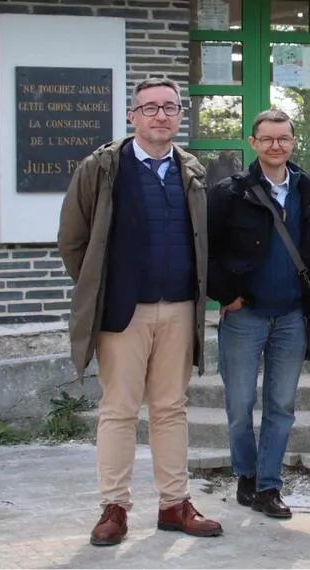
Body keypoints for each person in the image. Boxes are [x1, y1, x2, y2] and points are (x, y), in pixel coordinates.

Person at [57, 77, 221, 546]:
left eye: (170, 107)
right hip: (122, 311)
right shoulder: (103, 167)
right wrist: (97, 290)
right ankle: (114, 507)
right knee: (119, 410)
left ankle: (174, 503)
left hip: (179, 308)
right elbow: (73, 240)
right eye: (150, 107)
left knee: (171, 408)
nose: (161, 115)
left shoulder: (191, 168)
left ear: (180, 116)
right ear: (133, 116)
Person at [206, 109, 310, 519]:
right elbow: (205, 253)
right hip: (244, 316)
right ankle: (245, 474)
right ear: (253, 143)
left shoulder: (309, 190)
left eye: (283, 138)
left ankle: (269, 486)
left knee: (281, 405)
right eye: (267, 139)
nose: (275, 145)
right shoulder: (229, 193)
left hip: (290, 319)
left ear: (293, 141)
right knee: (240, 405)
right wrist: (226, 297)